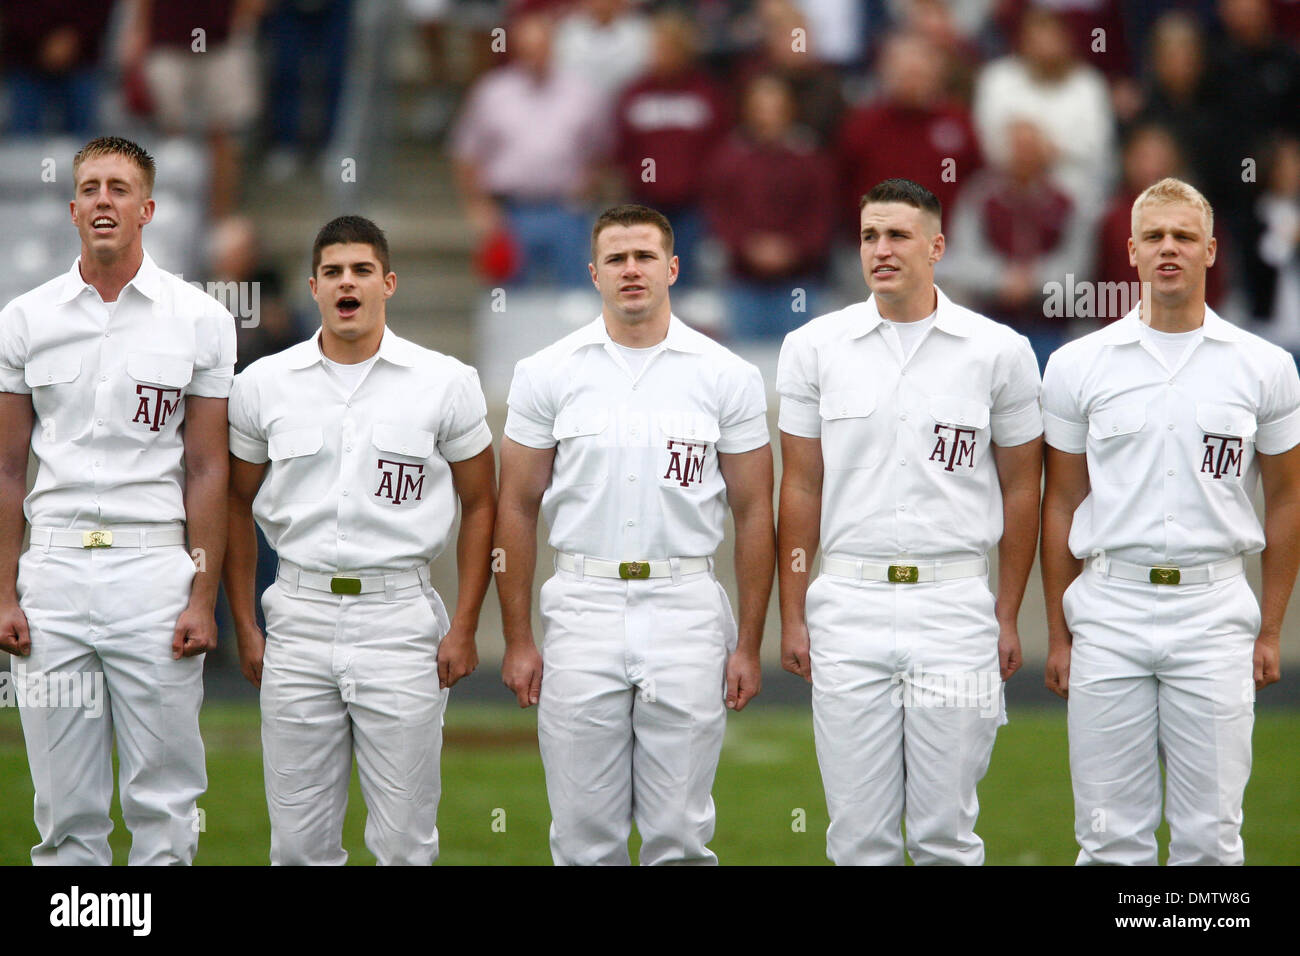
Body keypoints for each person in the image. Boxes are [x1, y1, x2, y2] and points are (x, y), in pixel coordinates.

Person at [495, 203, 775, 865]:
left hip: (685, 607)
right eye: (616, 258)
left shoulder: (726, 375)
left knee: (678, 833)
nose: (631, 270)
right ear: (593, 273)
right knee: (583, 836)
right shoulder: (546, 373)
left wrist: (749, 644)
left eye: (644, 256)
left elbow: (756, 511)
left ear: (672, 267)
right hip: (582, 605)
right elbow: (516, 506)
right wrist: (517, 637)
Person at [776, 178, 1043, 866]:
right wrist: (796, 611)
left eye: (897, 235)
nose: (881, 250)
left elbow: (1022, 490)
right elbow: (800, 488)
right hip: (849, 601)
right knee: (858, 838)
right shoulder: (813, 347)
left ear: (937, 246)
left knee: (945, 836)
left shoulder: (999, 351)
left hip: (955, 604)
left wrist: (1007, 612)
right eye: (869, 236)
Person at [1041, 177, 1300, 866]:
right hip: (1109, 607)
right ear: (1130, 250)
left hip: (1215, 611)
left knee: (1210, 839)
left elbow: (1286, 499)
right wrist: (1060, 633)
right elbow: (1061, 504)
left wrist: (1270, 626)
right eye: (1154, 236)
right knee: (1106, 839)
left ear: (1211, 250)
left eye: (1184, 237)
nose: (1169, 249)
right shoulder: (1077, 366)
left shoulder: (1265, 367)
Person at [223, 216, 496, 865]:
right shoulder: (262, 384)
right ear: (314, 287)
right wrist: (246, 623)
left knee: (404, 842)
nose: (349, 282)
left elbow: (482, 501)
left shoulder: (445, 381)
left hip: (400, 619)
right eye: (335, 272)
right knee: (296, 844)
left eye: (363, 270)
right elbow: (233, 502)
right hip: (297, 613)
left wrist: (463, 625)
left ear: (389, 283)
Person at [0, 136, 236, 865]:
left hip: (154, 572)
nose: (105, 199)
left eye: (120, 188)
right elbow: (8, 468)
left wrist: (202, 596)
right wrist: (4, 591)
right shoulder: (25, 318)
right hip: (55, 573)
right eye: (92, 188)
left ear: (148, 209)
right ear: (72, 210)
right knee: (64, 809)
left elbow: (206, 469)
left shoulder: (200, 319)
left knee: (164, 805)